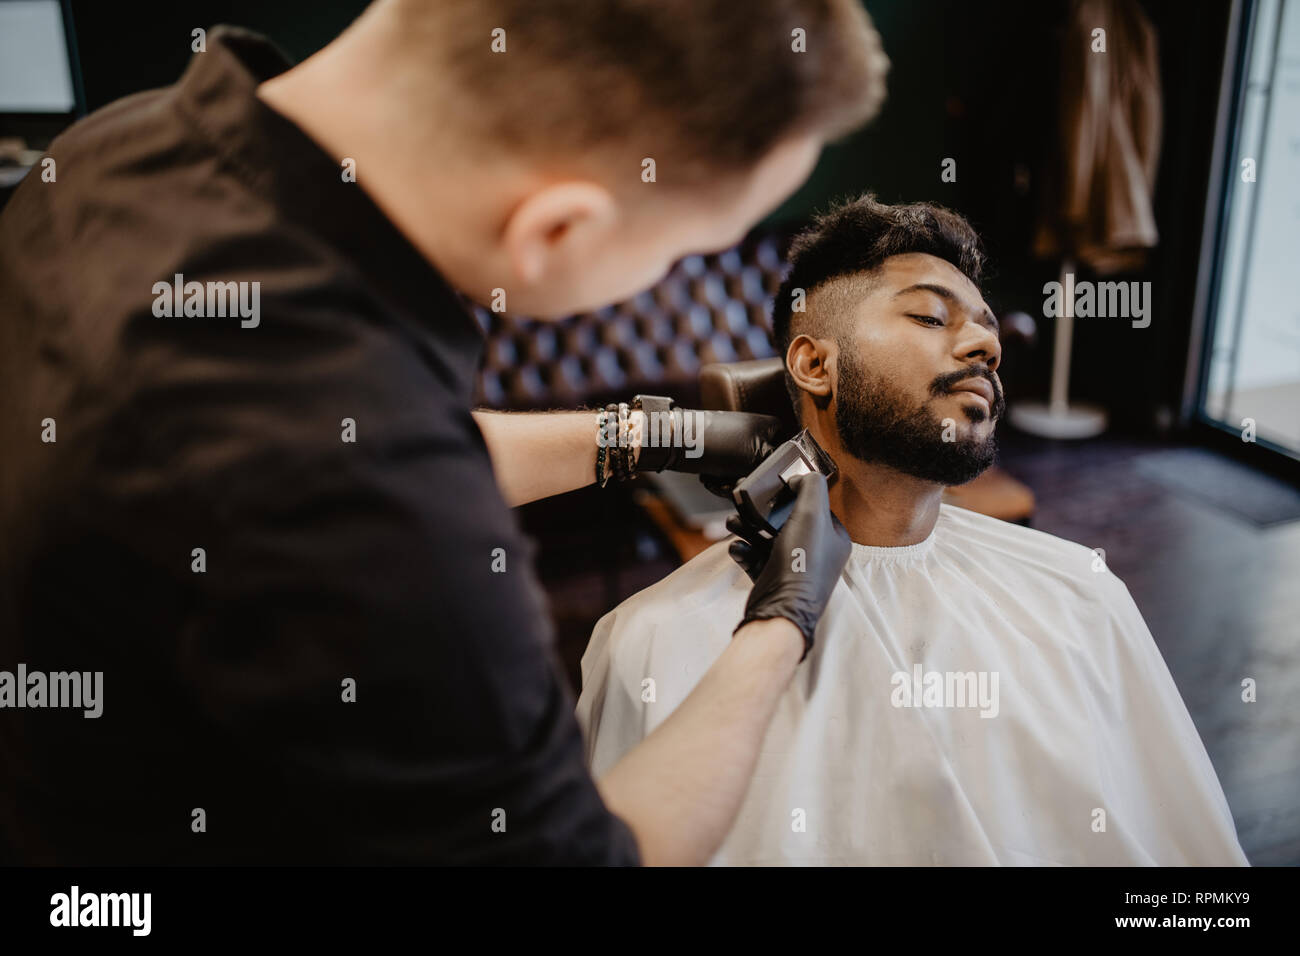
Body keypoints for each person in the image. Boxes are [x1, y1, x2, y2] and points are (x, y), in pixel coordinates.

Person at [0, 1, 889, 864]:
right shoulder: (378, 522)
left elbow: (332, 452)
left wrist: (638, 436)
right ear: (559, 229)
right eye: (690, 246)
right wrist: (783, 618)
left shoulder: (110, 151)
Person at [576, 195, 1251, 866]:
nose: (987, 345)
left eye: (987, 331)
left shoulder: (1082, 596)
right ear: (815, 365)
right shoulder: (653, 641)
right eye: (931, 315)